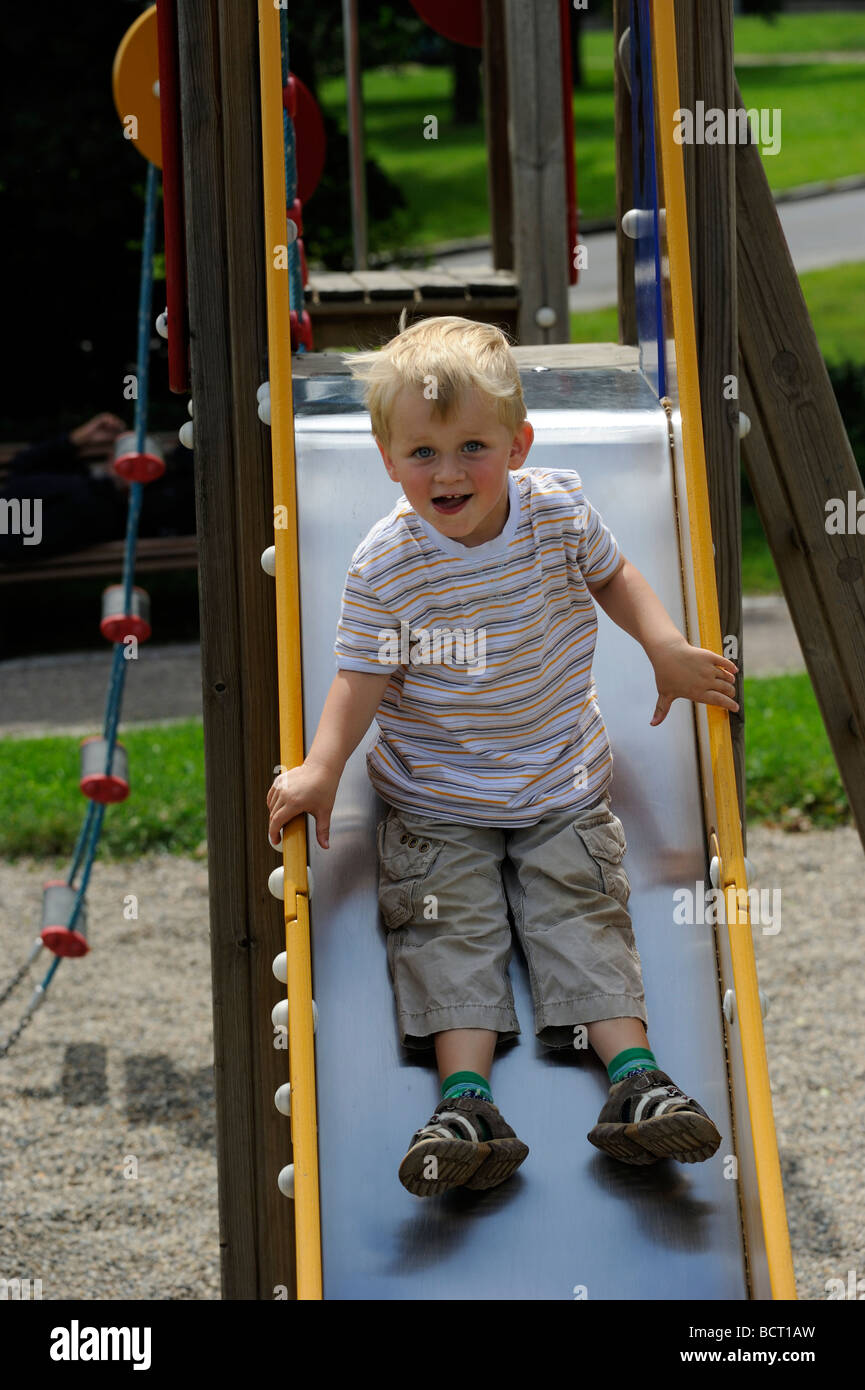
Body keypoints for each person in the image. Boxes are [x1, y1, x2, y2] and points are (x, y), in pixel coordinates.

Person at [266, 315, 739, 1198]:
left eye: (472, 446)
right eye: (422, 453)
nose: (447, 473)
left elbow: (613, 576)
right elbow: (358, 678)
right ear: (385, 458)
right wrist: (324, 767)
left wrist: (663, 647)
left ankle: (637, 1082)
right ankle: (465, 1108)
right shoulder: (385, 566)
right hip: (435, 798)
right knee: (450, 931)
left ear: (519, 444)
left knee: (581, 912)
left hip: (559, 779)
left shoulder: (555, 509)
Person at [0, 412, 197, 562]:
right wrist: (119, 483)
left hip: (129, 481)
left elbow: (23, 463)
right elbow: (81, 522)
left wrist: (82, 436)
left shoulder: (15, 488)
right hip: (133, 505)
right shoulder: (11, 536)